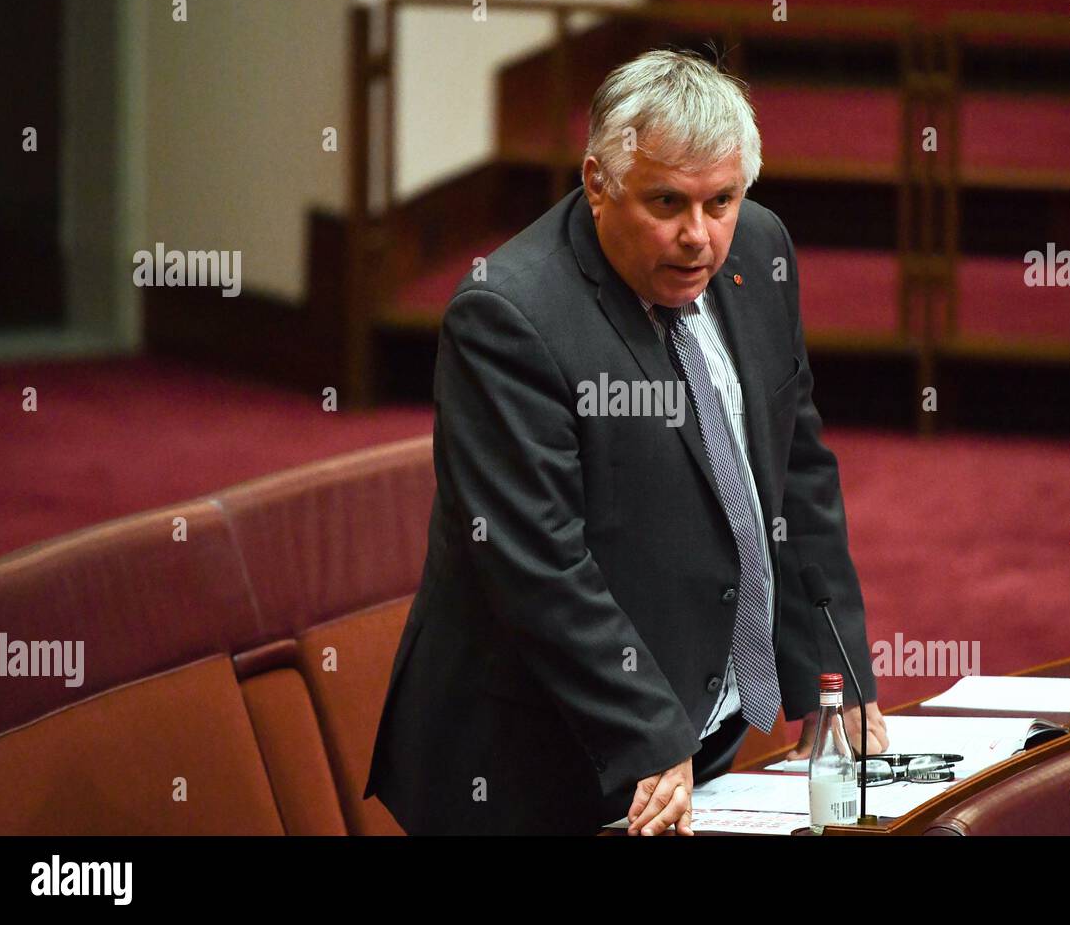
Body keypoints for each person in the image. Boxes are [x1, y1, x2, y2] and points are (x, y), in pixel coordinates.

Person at [364, 48, 887, 836]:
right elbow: (534, 557)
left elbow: (796, 474)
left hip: (689, 736)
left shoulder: (761, 251)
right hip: (534, 768)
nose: (698, 237)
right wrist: (645, 725)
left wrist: (831, 676)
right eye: (667, 202)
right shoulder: (509, 316)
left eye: (721, 201)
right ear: (597, 182)